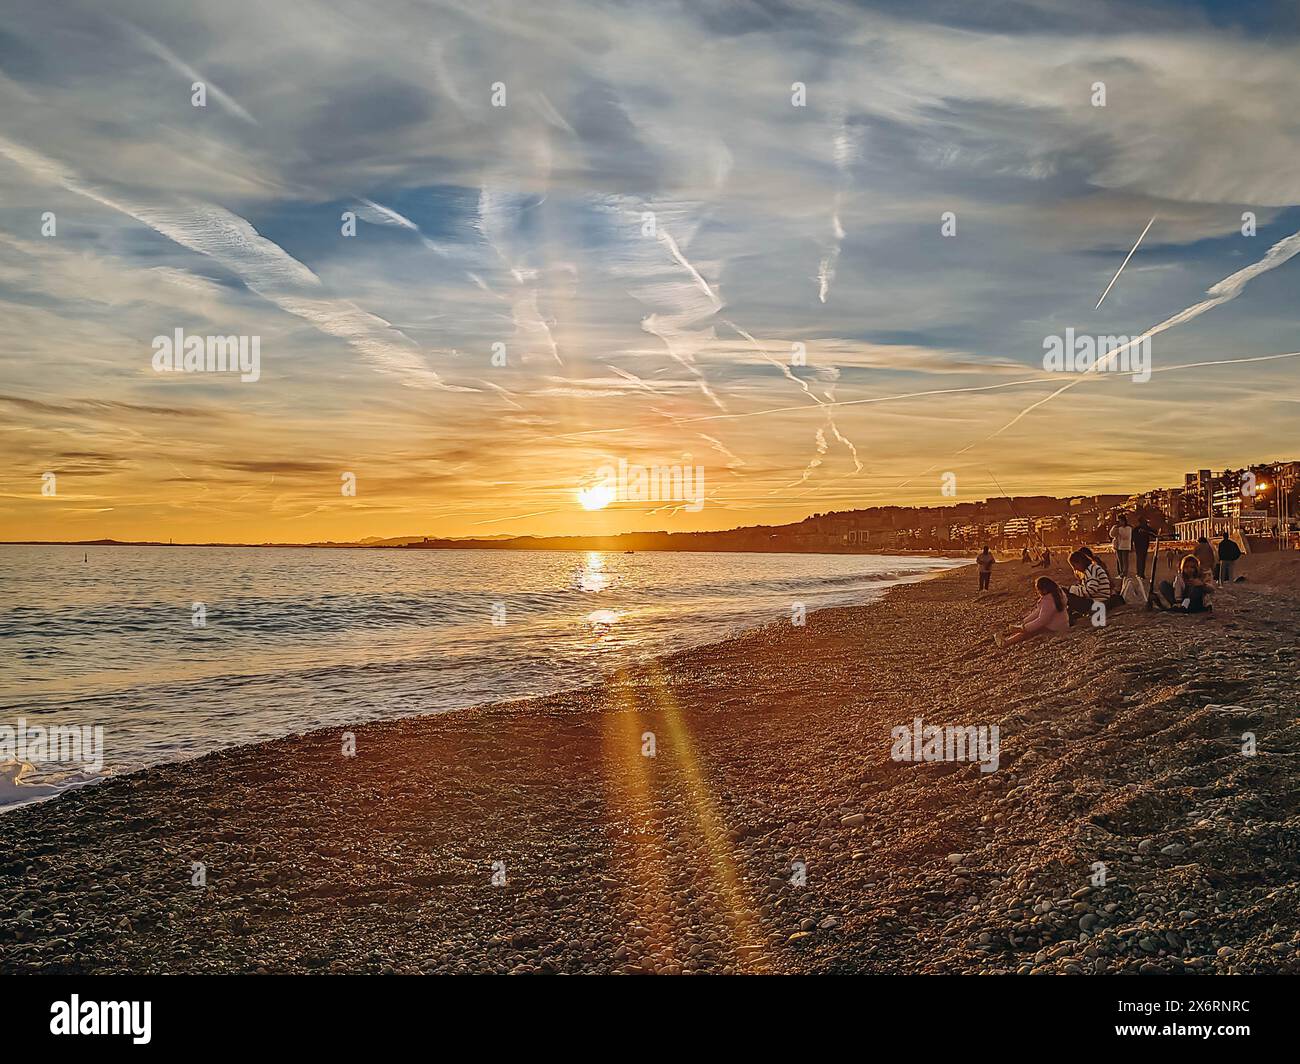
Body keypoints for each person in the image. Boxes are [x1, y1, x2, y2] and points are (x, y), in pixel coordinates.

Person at [995, 577, 1070, 647]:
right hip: (1062, 624)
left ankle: (1006, 642)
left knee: (1027, 632)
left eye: (1038, 590)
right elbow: (1039, 612)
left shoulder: (1048, 601)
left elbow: (1042, 620)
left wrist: (1025, 628)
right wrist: (1025, 621)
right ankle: (1009, 633)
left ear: (1044, 590)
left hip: (1054, 627)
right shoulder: (1057, 594)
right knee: (1025, 627)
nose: (1038, 592)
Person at [1065, 548, 1111, 619]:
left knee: (1066, 596)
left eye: (1074, 565)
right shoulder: (1091, 569)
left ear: (1080, 562)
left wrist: (1072, 590)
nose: (1075, 569)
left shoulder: (1091, 569)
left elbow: (1091, 590)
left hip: (1098, 602)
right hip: (1098, 600)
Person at [1132, 517, 1156, 582]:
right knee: (1141, 559)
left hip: (1141, 546)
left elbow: (1153, 533)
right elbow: (1154, 532)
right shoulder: (1139, 528)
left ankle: (1140, 573)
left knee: (1140, 559)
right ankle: (1140, 573)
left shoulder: (1138, 528)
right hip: (1142, 545)